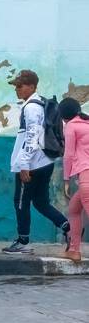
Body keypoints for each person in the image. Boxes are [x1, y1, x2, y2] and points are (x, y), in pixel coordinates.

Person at [4, 69, 69, 254]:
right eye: (16, 86)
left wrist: (24, 164)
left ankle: (23, 242)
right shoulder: (39, 104)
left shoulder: (31, 107)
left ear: (32, 86)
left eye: (20, 86)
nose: (17, 89)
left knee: (21, 202)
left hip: (32, 165)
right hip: (44, 162)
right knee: (41, 202)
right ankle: (67, 227)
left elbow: (33, 136)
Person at [59, 97, 89, 262]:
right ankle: (74, 250)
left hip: (86, 176)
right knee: (74, 209)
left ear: (63, 116)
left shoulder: (71, 126)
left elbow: (69, 155)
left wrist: (66, 179)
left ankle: (75, 250)